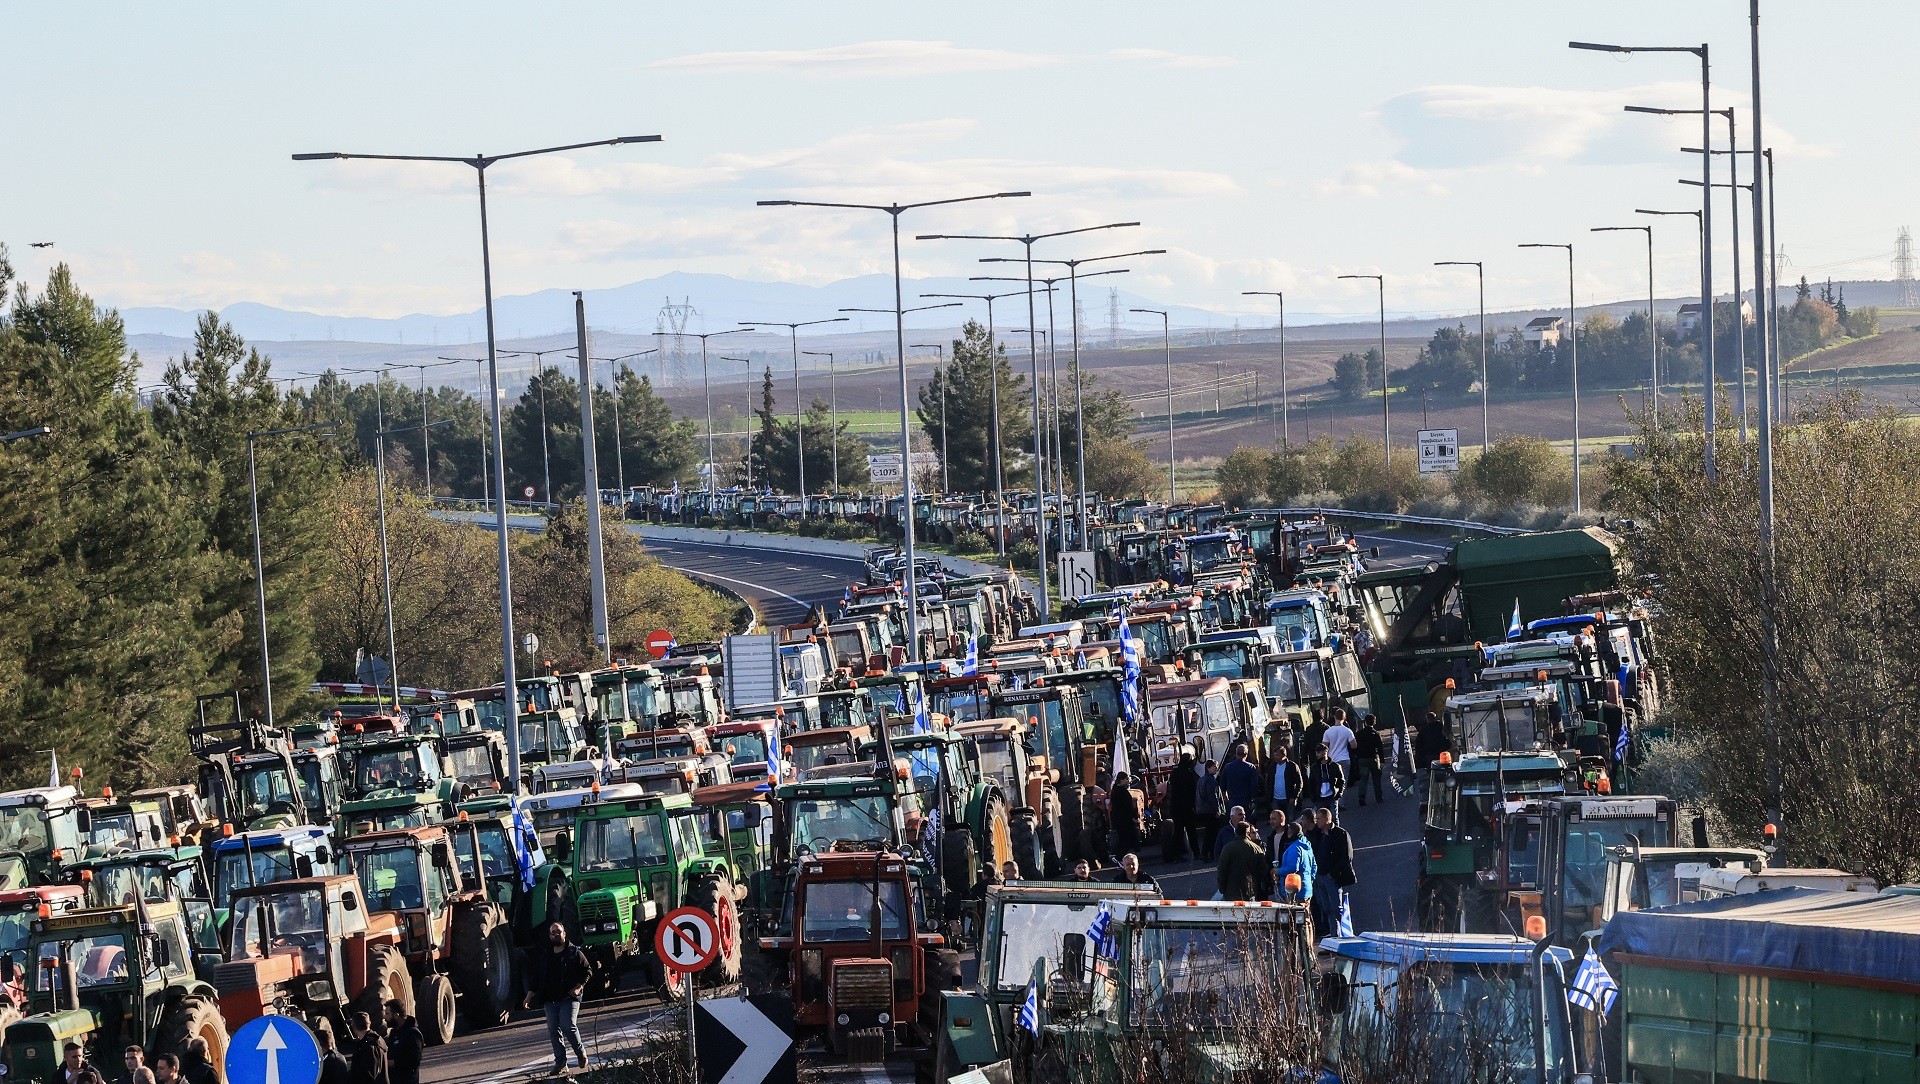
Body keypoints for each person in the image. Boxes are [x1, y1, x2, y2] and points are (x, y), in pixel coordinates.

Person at [524, 920, 591, 1073]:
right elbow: (537, 978)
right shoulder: (546, 955)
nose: (555, 935)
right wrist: (529, 996)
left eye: (558, 932)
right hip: (550, 999)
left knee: (568, 1025)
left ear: (564, 933)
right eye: (552, 933)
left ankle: (580, 1053)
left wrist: (579, 987)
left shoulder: (574, 952)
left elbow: (587, 970)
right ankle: (560, 1063)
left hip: (569, 998)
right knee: (554, 1030)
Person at [1309, 807, 1357, 937]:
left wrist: (1333, 874)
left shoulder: (1340, 833)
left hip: (1332, 878)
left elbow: (1347, 856)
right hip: (1320, 876)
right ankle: (1334, 935)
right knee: (1326, 908)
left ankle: (1345, 935)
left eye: (1319, 818)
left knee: (1337, 908)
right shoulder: (1319, 835)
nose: (1316, 821)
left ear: (1327, 818)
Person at [1216, 822, 1272, 902]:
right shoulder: (1256, 848)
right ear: (1247, 833)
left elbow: (1222, 869)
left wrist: (1222, 888)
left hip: (1232, 890)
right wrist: (1267, 886)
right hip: (1249, 890)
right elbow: (1263, 871)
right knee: (1249, 913)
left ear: (1236, 832)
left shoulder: (1228, 848)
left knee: (1233, 913)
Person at [1274, 821, 1317, 912]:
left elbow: (1292, 868)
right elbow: (1314, 866)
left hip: (1295, 892)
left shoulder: (1295, 848)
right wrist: (1309, 881)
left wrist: (1277, 871)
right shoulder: (1306, 845)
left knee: (1296, 920)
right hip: (1306, 889)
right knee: (1307, 918)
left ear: (1289, 833)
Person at [1166, 751, 1198, 862]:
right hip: (1187, 807)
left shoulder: (1174, 773)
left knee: (1178, 832)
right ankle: (1196, 852)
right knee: (1191, 831)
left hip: (1176, 806)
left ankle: (1175, 854)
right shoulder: (1189, 774)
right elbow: (1192, 791)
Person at [1304, 742, 1346, 824]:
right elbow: (1311, 783)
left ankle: (1336, 834)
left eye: (1319, 752)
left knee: (1334, 818)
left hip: (1332, 797)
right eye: (1316, 752)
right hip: (1319, 798)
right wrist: (1313, 797)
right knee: (1321, 820)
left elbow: (1341, 781)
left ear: (1325, 752)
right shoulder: (1314, 767)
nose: (1317, 754)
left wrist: (1339, 793)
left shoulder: (1335, 766)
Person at [383, 1001, 424, 1084]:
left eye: (387, 1014)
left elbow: (415, 1060)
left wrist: (393, 1063)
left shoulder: (413, 1033)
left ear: (396, 1015)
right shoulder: (394, 1032)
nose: (384, 1017)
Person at [1108, 773, 1146, 861]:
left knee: (1125, 839)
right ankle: (1119, 857)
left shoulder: (1116, 790)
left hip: (1121, 819)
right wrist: (1135, 816)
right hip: (1124, 819)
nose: (1128, 781)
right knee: (1128, 839)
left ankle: (1126, 857)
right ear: (1121, 780)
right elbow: (1127, 806)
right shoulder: (1121, 791)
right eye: (1126, 779)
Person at [1323, 713, 1356, 806]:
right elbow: (1354, 745)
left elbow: (1324, 746)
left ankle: (1333, 801)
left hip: (1332, 760)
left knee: (1332, 781)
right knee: (1343, 781)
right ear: (1344, 718)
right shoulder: (1347, 731)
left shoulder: (1328, 731)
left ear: (1334, 717)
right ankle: (1341, 803)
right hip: (1344, 758)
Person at [344, 1014, 388, 1084]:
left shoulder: (368, 1047)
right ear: (369, 1023)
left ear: (354, 1027)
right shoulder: (378, 1039)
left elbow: (369, 1076)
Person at [1351, 720, 1386, 807]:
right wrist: (1382, 761)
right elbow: (1380, 748)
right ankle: (1379, 797)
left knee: (1363, 779)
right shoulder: (1376, 734)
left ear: (1365, 722)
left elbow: (1355, 746)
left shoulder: (1359, 733)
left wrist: (1357, 755)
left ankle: (1362, 798)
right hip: (1374, 757)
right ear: (1374, 723)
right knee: (1376, 779)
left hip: (1362, 758)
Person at [1196, 759, 1225, 860]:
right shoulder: (1210, 781)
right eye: (1214, 766)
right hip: (1210, 811)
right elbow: (1213, 797)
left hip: (1203, 810)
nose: (1216, 768)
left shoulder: (1201, 779)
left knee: (1209, 833)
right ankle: (1207, 853)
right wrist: (1217, 809)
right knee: (1212, 833)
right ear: (1208, 768)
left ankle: (1210, 853)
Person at [1218, 744, 1260, 813]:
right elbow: (1254, 785)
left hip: (1232, 799)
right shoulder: (1251, 767)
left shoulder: (1228, 767)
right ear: (1246, 754)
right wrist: (1253, 799)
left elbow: (1222, 783)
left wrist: (1224, 794)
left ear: (1236, 754)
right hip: (1246, 800)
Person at [1267, 743, 1302, 822]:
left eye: (1278, 755)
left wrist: (1294, 796)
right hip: (1275, 798)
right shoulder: (1272, 766)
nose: (1275, 757)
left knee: (1290, 819)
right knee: (1276, 820)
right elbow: (1268, 781)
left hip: (1288, 799)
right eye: (1274, 755)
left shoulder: (1292, 766)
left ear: (1284, 755)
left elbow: (1299, 782)